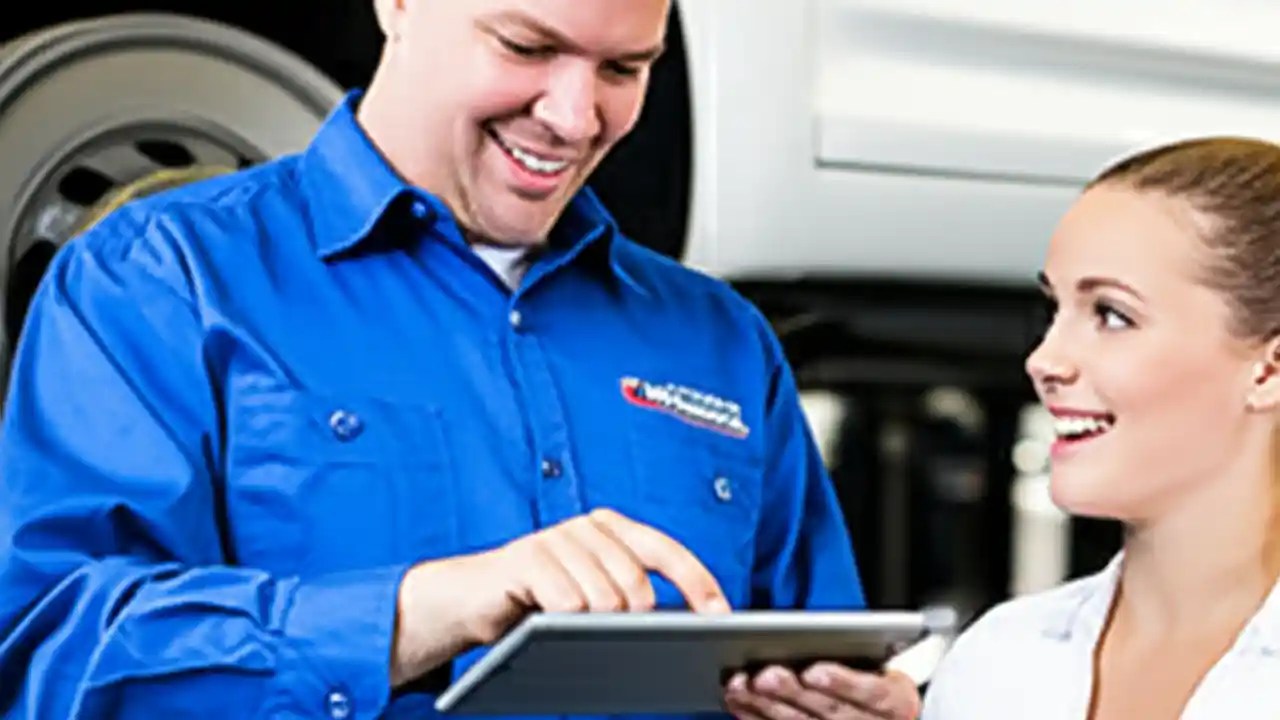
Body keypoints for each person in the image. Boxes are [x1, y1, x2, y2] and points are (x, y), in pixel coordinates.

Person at [0, 1, 922, 718]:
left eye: (623, 68)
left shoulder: (722, 343)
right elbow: (51, 660)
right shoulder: (163, 278)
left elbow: (804, 655)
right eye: (526, 46)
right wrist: (421, 611)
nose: (572, 116)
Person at [920, 136, 1280, 719]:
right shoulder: (996, 662)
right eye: (1053, 311)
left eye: (1111, 315)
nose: (1044, 360)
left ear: (1269, 370)